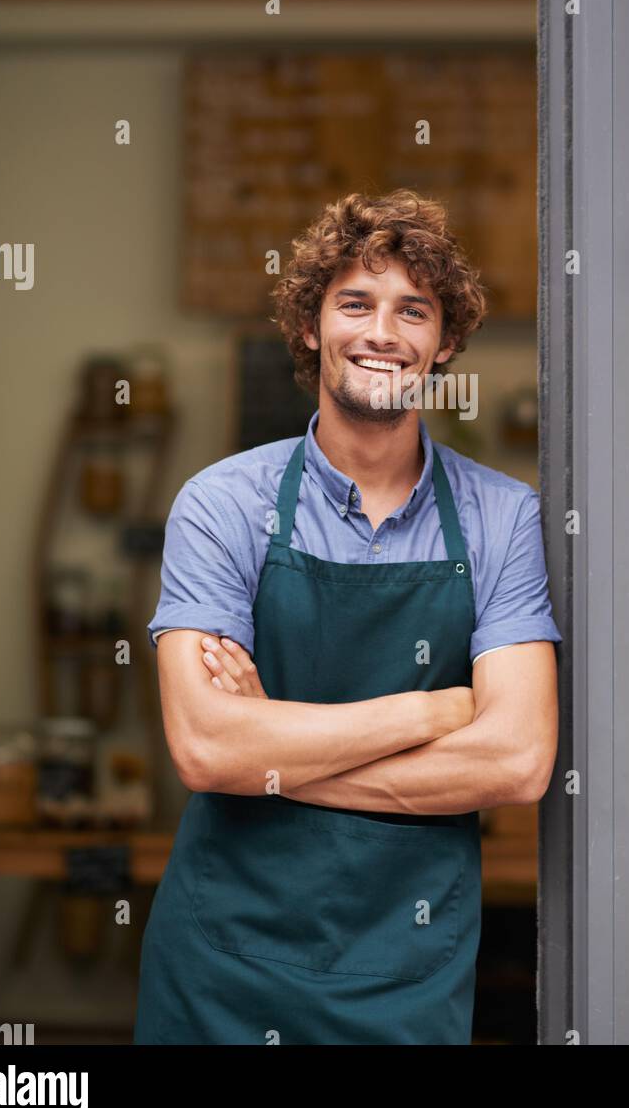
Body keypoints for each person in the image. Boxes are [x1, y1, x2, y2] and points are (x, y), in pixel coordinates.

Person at [133, 188, 560, 1045]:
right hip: (224, 963)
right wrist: (434, 713)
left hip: (406, 962)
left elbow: (515, 763)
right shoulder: (222, 504)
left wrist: (273, 757)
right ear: (307, 326)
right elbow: (205, 747)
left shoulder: (503, 517)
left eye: (414, 310)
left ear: (444, 344)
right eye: (354, 303)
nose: (382, 332)